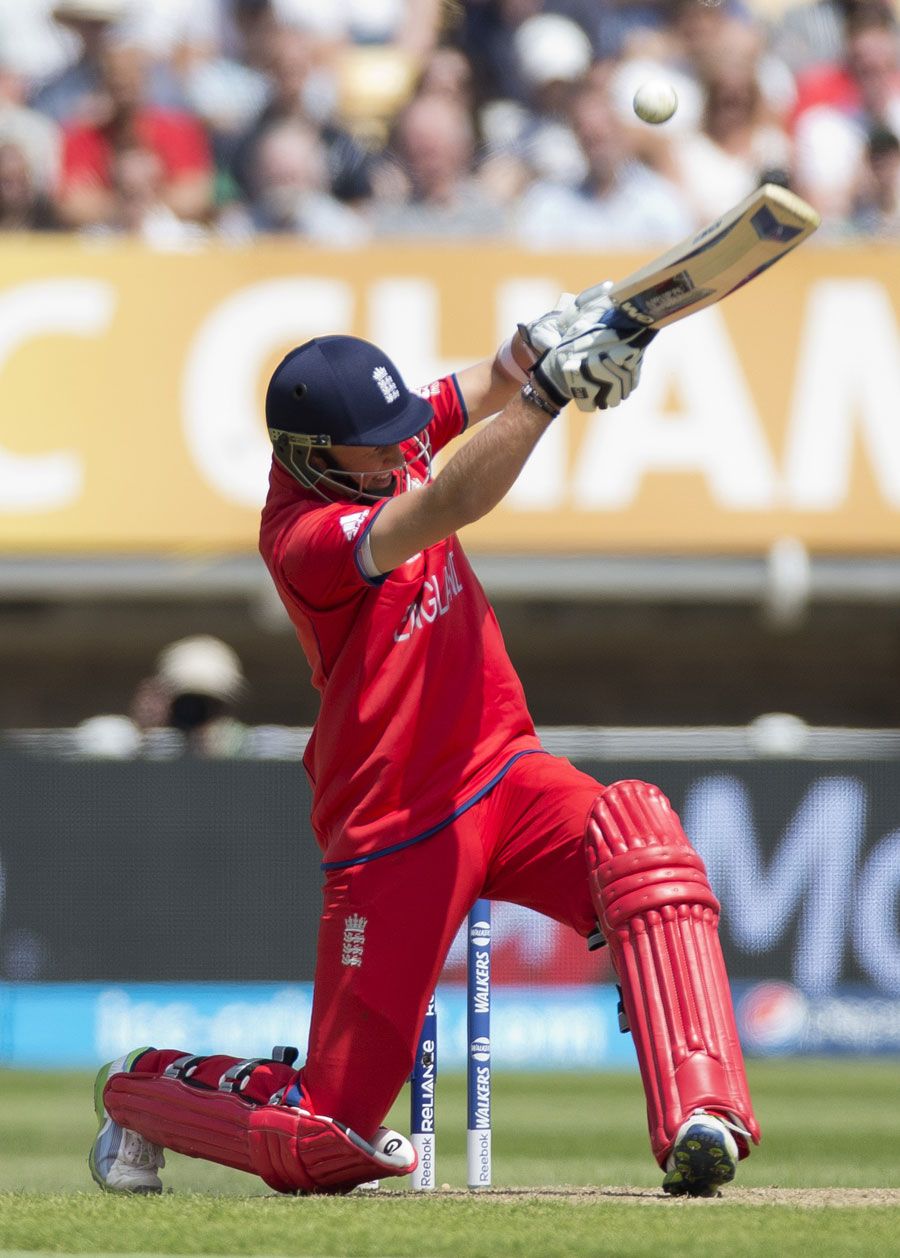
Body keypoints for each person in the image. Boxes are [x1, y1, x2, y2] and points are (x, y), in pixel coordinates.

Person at [88, 290, 759, 1198]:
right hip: (394, 825)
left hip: (502, 770)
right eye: (379, 443)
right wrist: (548, 399)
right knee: (325, 1135)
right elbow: (448, 499)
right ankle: (139, 1092)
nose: (401, 447)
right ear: (313, 458)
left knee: (639, 834)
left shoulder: (379, 440)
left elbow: (488, 381)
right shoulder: (307, 542)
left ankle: (700, 1116)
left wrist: (553, 340)